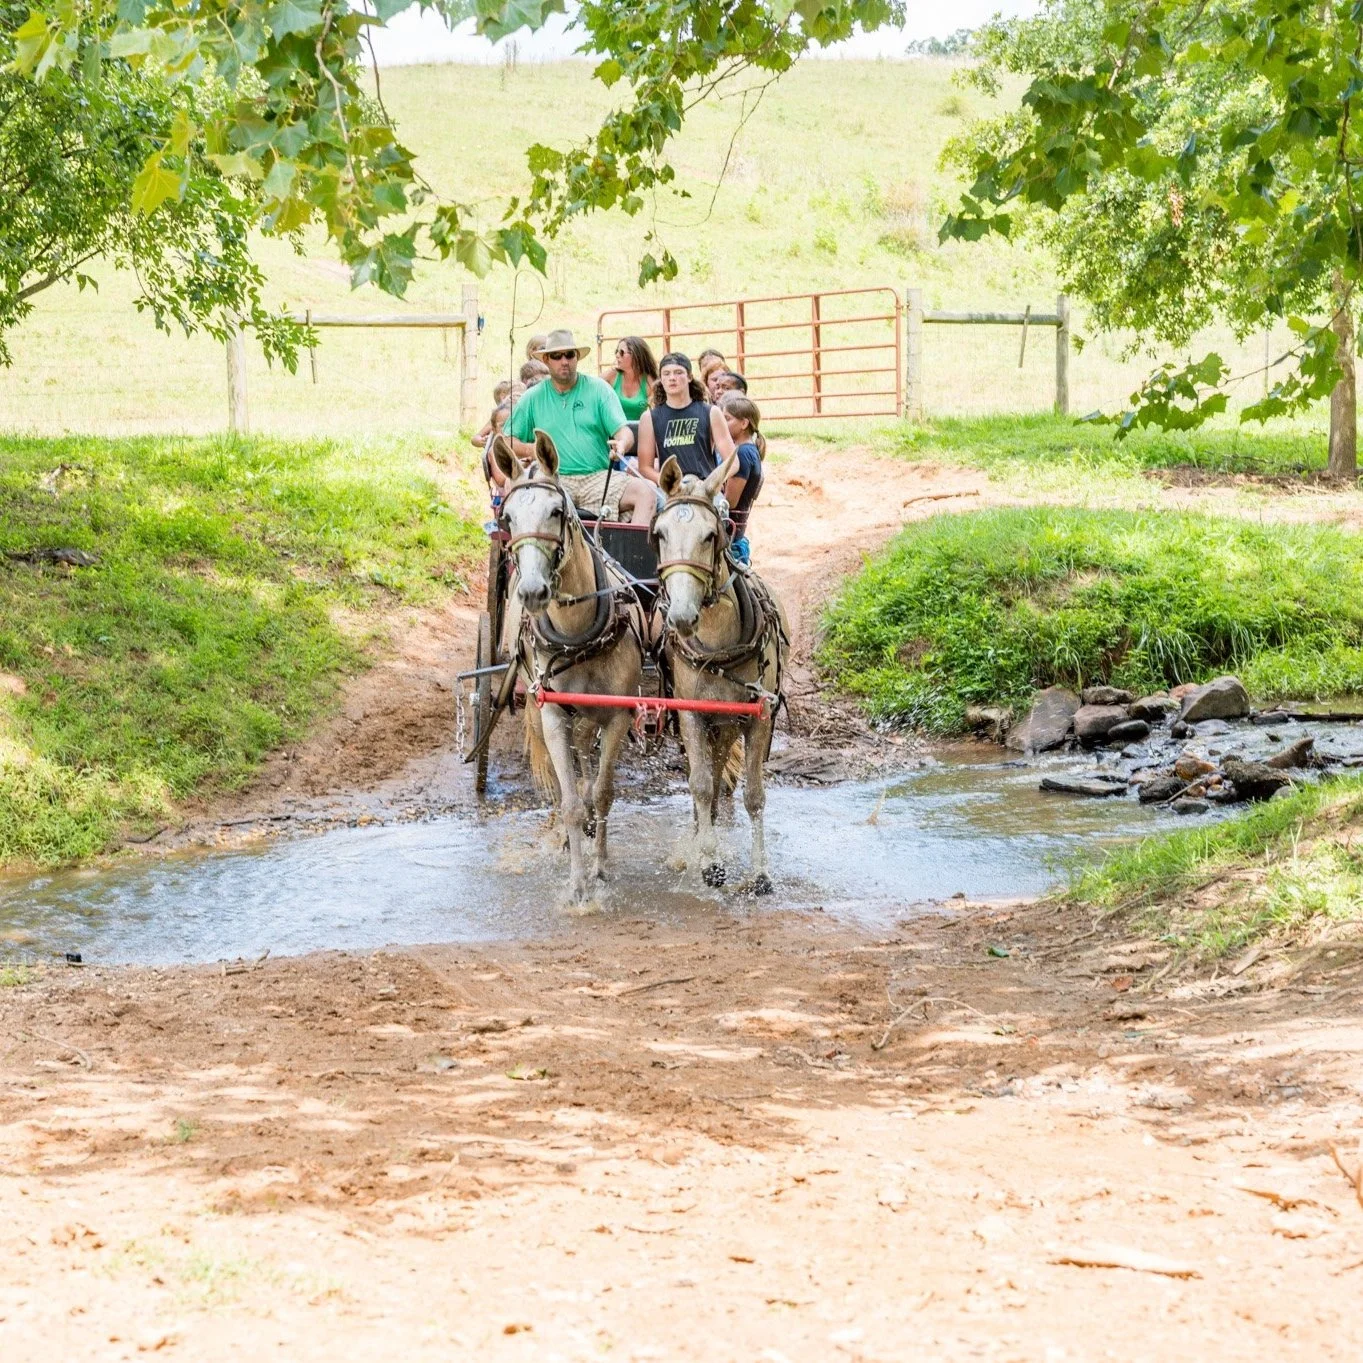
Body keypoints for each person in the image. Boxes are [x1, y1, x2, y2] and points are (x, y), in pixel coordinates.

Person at [504, 329, 655, 525]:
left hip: (598, 478)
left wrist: (622, 445)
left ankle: (633, 554)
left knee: (648, 493)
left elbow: (624, 432)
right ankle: (521, 552)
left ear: (577, 358)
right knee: (515, 488)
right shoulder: (532, 397)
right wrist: (531, 450)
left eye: (569, 355)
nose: (564, 361)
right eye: (557, 356)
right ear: (547, 360)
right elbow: (507, 439)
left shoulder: (599, 389)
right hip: (551, 479)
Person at [637, 352, 735, 485]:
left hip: (704, 488)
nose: (672, 378)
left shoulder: (711, 412)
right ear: (661, 379)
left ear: (689, 377)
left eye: (678, 372)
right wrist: (669, 483)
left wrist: (711, 483)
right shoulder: (649, 418)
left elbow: (733, 462)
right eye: (666, 374)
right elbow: (644, 467)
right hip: (671, 490)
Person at [719, 391, 764, 566]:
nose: (722, 423)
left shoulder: (743, 454)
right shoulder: (749, 450)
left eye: (727, 419)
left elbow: (730, 500)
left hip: (731, 534)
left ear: (744, 423)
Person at [600, 336, 658, 424]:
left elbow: (658, 412)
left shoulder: (649, 381)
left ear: (636, 355)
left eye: (622, 352)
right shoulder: (612, 375)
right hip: (613, 431)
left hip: (638, 430)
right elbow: (590, 389)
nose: (617, 355)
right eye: (616, 352)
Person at [471, 379, 514, 448]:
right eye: (515, 395)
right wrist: (482, 441)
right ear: (503, 397)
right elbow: (475, 438)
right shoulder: (498, 417)